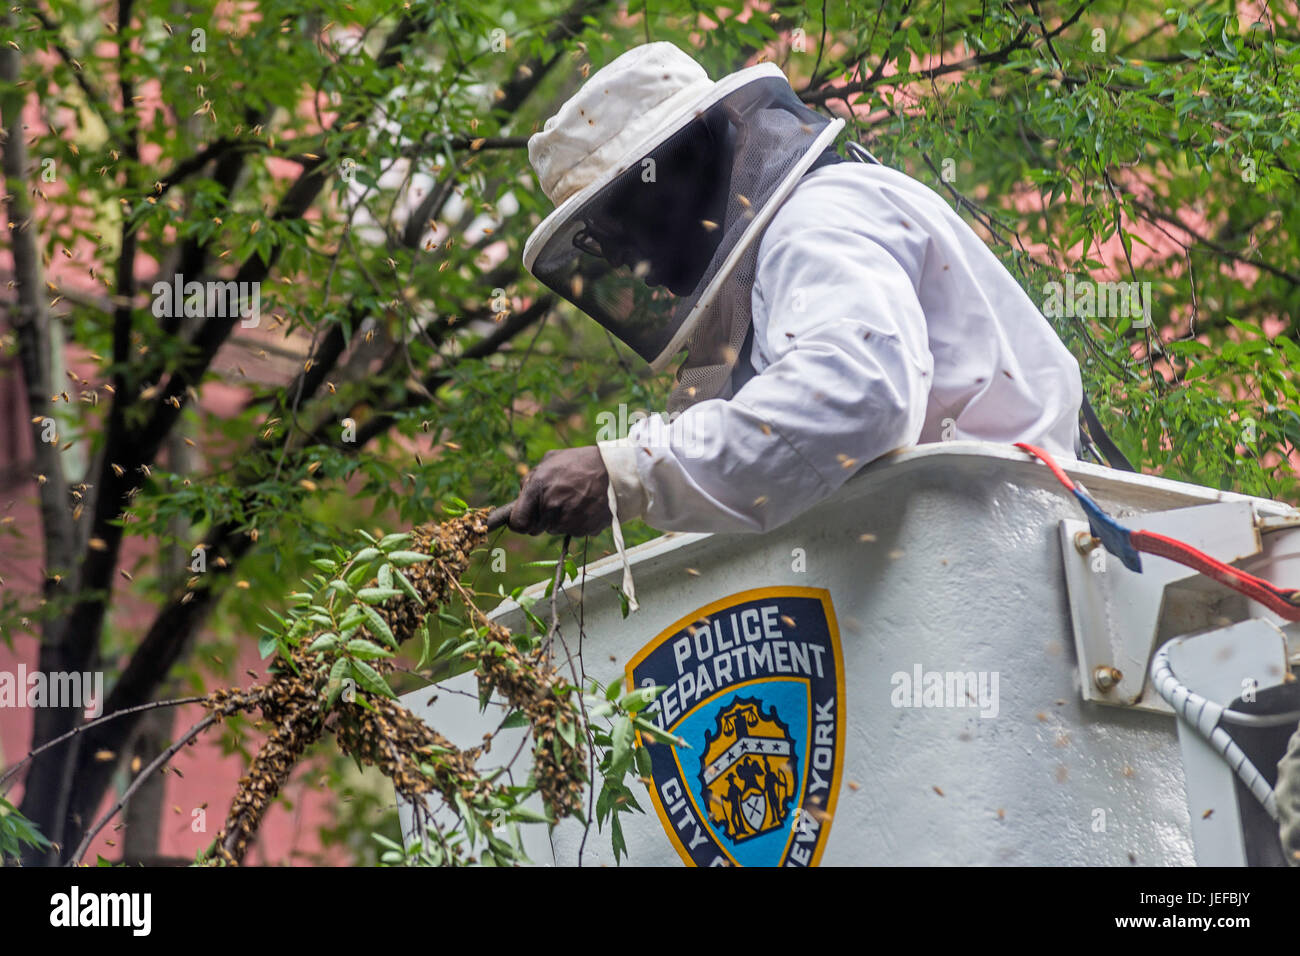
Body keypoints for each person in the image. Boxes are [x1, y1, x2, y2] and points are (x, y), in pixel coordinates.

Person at [507, 41, 1082, 539]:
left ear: (682, 164)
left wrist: (629, 472)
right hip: (966, 543)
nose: (620, 258)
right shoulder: (782, 252)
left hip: (993, 537)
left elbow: (859, 394)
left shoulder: (814, 223)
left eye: (619, 224)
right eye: (602, 241)